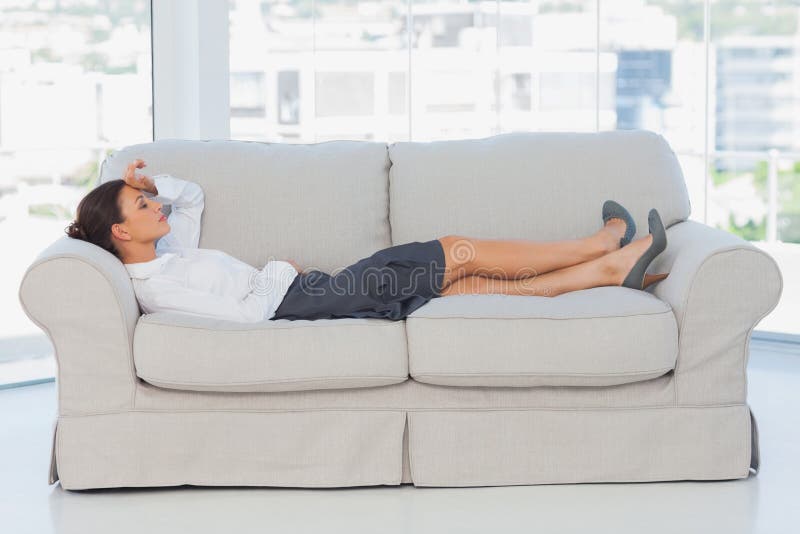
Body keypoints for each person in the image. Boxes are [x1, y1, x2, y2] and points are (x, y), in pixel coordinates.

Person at [65, 158, 669, 323]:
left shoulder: (168, 253)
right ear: (120, 232)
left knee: (463, 284)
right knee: (456, 251)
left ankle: (606, 271)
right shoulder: (158, 289)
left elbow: (191, 197)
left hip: (312, 292)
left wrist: (154, 185)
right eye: (142, 206)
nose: (157, 208)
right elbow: (245, 318)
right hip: (301, 301)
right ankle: (595, 248)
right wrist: (278, 269)